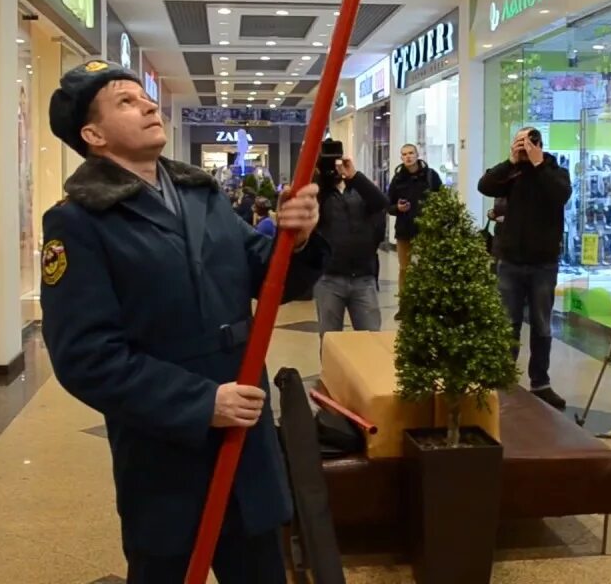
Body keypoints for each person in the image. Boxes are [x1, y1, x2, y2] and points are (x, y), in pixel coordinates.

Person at [39, 58, 327, 581]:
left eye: (144, 97)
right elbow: (85, 358)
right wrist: (201, 403)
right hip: (164, 446)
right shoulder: (78, 221)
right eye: (126, 101)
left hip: (246, 435)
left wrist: (296, 238)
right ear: (93, 134)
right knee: (167, 566)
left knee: (261, 567)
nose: (148, 105)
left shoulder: (202, 194)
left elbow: (266, 277)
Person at [478, 127, 572, 411]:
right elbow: (485, 185)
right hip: (510, 261)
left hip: (543, 262)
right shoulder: (512, 173)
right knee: (507, 324)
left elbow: (561, 194)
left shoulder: (555, 170)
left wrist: (538, 162)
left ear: (540, 145)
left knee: (542, 325)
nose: (524, 147)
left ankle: (540, 382)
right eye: (519, 142)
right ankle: (504, 380)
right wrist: (512, 161)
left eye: (528, 142)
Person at [316, 152, 389, 338]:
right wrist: (317, 175)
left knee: (371, 339)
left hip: (363, 278)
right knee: (329, 341)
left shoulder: (360, 191)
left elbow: (382, 203)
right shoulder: (322, 195)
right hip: (329, 279)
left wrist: (355, 176)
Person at [387, 143, 443, 290]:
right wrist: (397, 208)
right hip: (404, 230)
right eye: (404, 154)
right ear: (401, 158)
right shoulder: (398, 179)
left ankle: (425, 303)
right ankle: (404, 304)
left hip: (427, 231)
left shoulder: (431, 176)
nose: (408, 157)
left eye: (411, 153)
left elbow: (443, 199)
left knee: (427, 268)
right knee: (404, 269)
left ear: (418, 155)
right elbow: (388, 205)